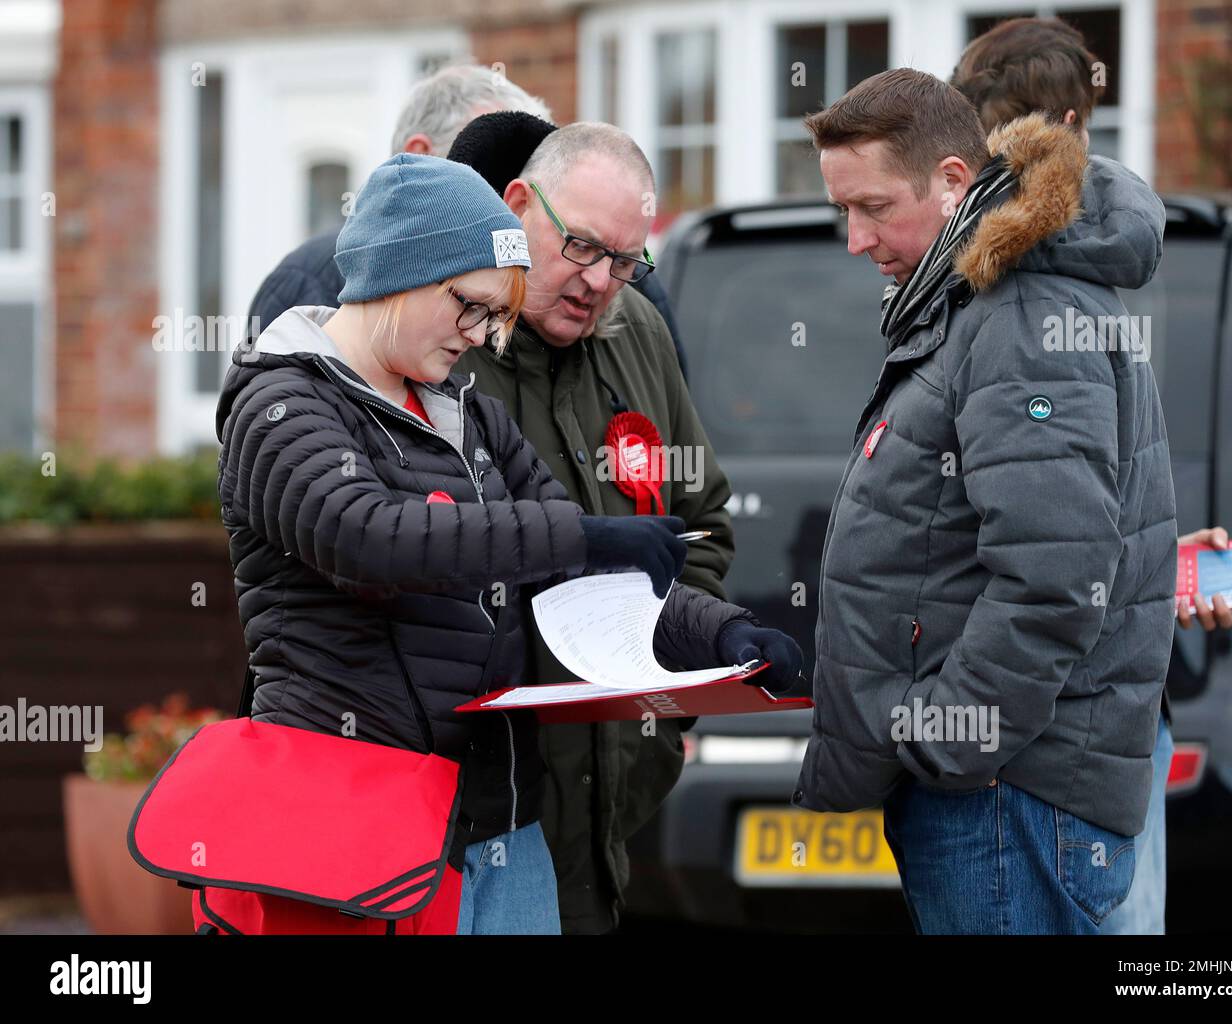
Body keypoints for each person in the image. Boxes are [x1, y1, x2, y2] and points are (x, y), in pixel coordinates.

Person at [215, 154, 733, 933]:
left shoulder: (470, 414)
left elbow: (577, 578)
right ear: (401, 271)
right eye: (472, 305)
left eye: (497, 314)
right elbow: (370, 537)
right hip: (354, 816)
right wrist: (582, 533)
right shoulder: (281, 404)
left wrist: (721, 637)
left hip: (498, 817)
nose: (485, 336)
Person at [791, 67, 1177, 934]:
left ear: (955, 181)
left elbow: (1056, 579)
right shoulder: (979, 303)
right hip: (1003, 796)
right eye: (841, 211)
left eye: (875, 208)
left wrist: (938, 743)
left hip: (1009, 802)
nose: (856, 240)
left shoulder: (1022, 312)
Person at [950, 15, 1232, 935]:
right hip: (1097, 735)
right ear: (1079, 127)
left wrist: (942, 729)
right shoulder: (1081, 289)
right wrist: (1150, 567)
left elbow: (1049, 545)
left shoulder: (1019, 293)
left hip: (1050, 757)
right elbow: (1054, 525)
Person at [451, 118, 802, 933]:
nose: (599, 280)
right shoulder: (448, 345)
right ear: (516, 207)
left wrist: (666, 712)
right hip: (480, 812)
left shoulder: (638, 330)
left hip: (613, 800)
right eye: (579, 246)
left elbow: (699, 521)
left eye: (624, 259)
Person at [246, 65, 690, 378]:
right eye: (483, 165)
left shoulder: (620, 289)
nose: (502, 204)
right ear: (419, 158)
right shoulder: (311, 284)